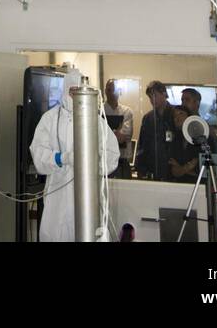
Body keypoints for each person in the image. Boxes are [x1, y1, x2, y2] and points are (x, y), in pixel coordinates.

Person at [30, 70, 119, 241]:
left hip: (88, 195)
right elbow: (38, 154)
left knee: (86, 233)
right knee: (56, 234)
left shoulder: (96, 121)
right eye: (72, 91)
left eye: (78, 91)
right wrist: (61, 158)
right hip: (57, 194)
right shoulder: (49, 119)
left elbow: (112, 155)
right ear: (65, 91)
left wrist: (90, 161)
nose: (74, 96)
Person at [134, 81, 174, 181]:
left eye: (154, 95)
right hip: (152, 170)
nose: (152, 100)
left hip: (172, 171)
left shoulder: (176, 115)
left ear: (164, 94)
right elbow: (142, 145)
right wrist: (140, 168)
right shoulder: (148, 118)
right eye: (150, 97)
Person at [103, 79, 134, 178]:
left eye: (114, 90)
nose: (112, 93)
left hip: (122, 162)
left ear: (119, 91)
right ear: (105, 91)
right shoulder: (98, 111)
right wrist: (117, 132)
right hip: (104, 163)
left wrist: (107, 133)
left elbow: (123, 138)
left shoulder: (127, 112)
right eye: (109, 90)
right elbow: (96, 138)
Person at [168, 105, 198, 183]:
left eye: (181, 114)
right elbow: (174, 171)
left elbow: (201, 172)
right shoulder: (176, 140)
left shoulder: (200, 137)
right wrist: (187, 168)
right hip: (180, 185)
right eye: (174, 116)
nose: (177, 118)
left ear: (189, 117)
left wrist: (180, 168)